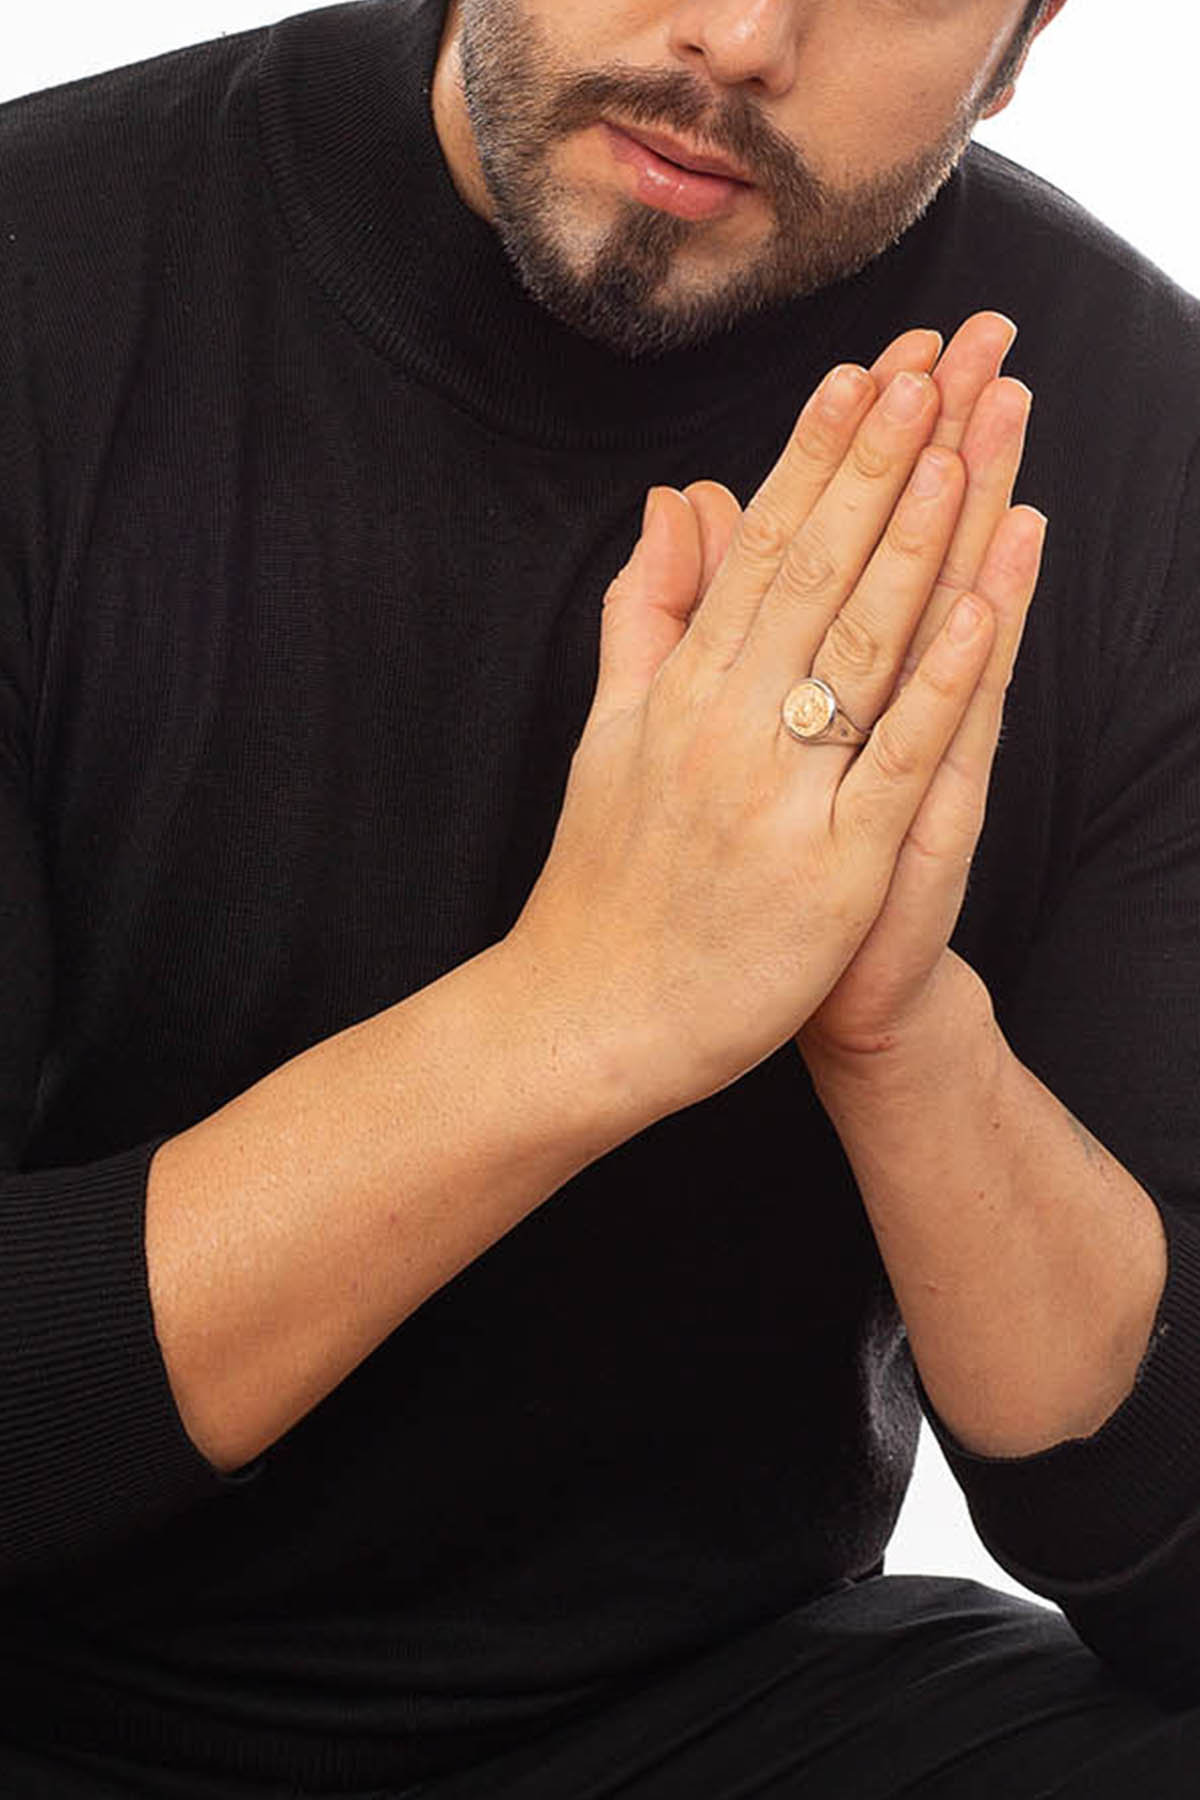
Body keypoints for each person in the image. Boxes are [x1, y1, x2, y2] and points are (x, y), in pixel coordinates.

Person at [0, 0, 1197, 1793]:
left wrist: (900, 1028)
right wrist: (587, 1010)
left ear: (1018, 51)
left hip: (725, 1706)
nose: (742, 35)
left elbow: (1174, 1575)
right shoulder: (47, 275)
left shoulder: (1131, 429)